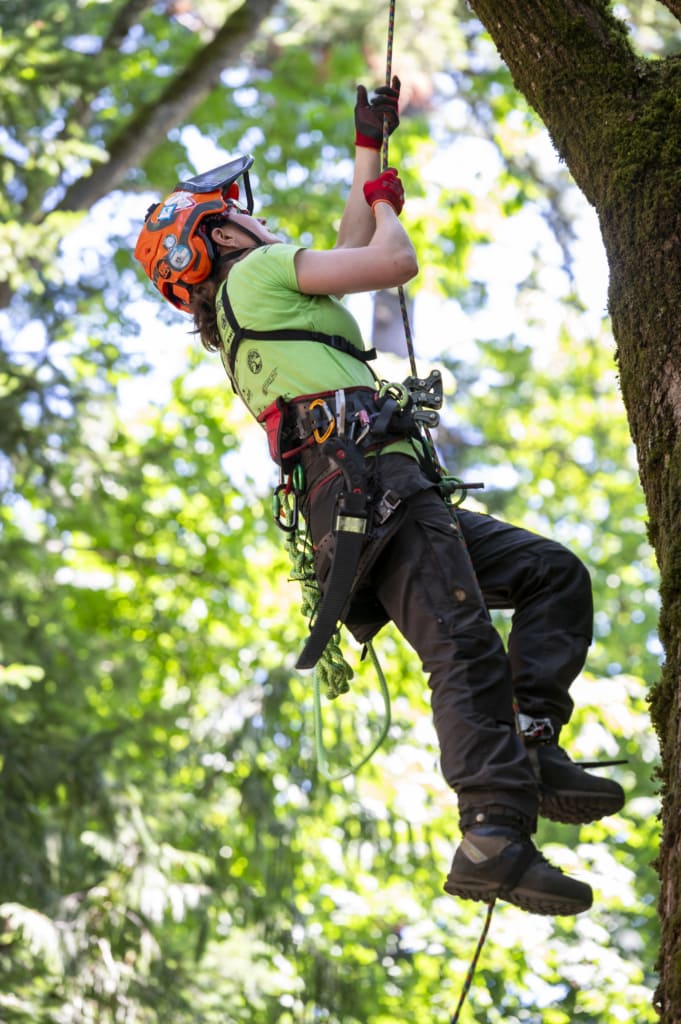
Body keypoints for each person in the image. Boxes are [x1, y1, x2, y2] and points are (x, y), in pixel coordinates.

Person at [134, 78, 624, 916]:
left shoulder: (251, 303)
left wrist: (371, 147)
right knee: (463, 644)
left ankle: (531, 739)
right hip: (373, 485)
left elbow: (348, 249)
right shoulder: (255, 272)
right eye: (240, 212)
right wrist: (382, 199)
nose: (261, 219)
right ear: (217, 234)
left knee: (549, 574)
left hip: (367, 492)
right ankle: (492, 833)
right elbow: (389, 260)